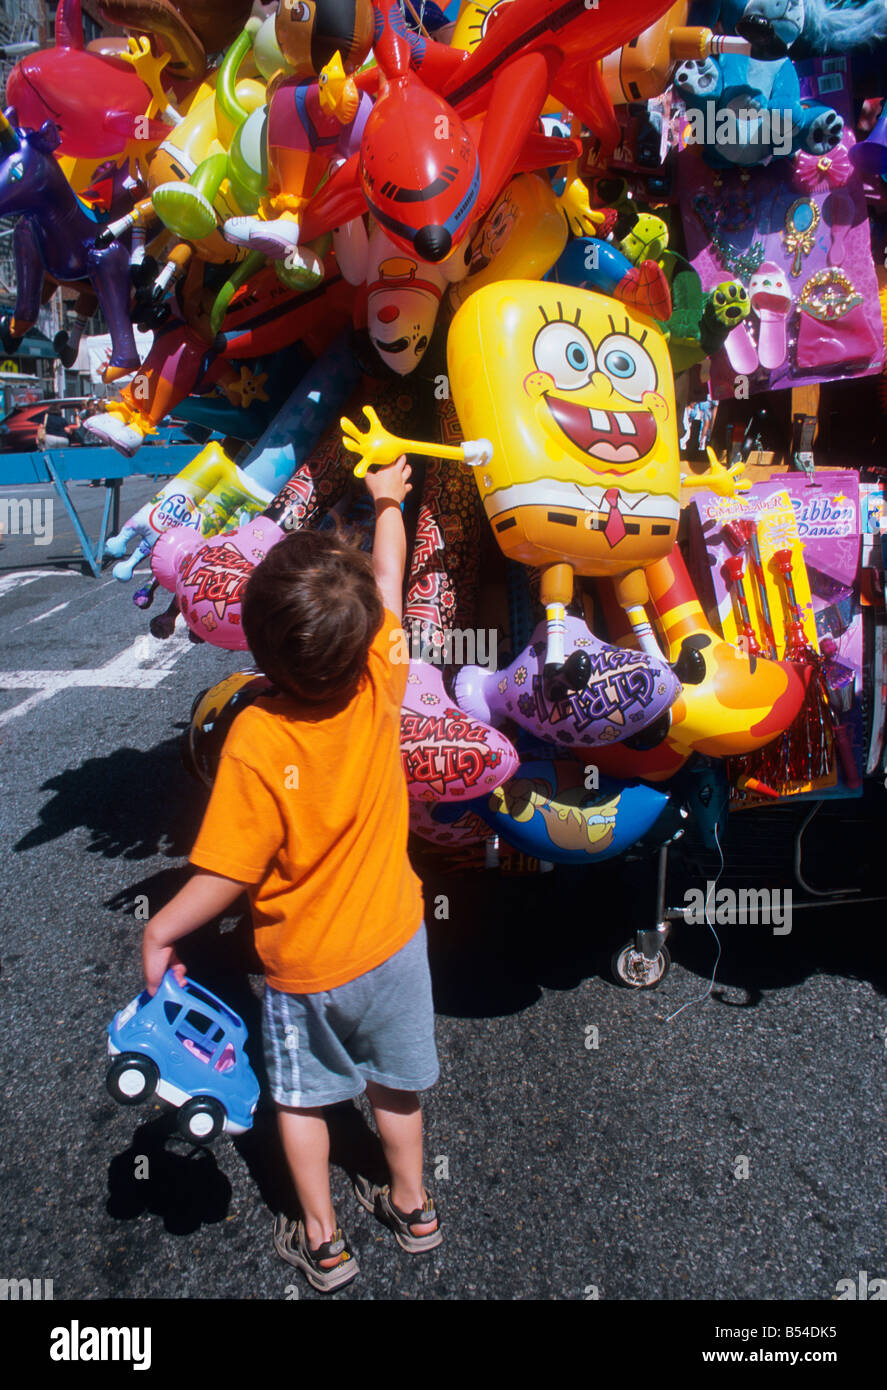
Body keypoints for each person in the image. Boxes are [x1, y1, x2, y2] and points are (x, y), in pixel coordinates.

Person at [140, 455, 441, 1293]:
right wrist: (387, 499)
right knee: (395, 1082)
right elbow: (388, 576)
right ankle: (414, 1206)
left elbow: (228, 871)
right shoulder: (380, 675)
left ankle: (323, 1238)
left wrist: (163, 926)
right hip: (394, 942)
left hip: (301, 967)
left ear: (260, 648)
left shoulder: (259, 738)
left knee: (302, 1100)